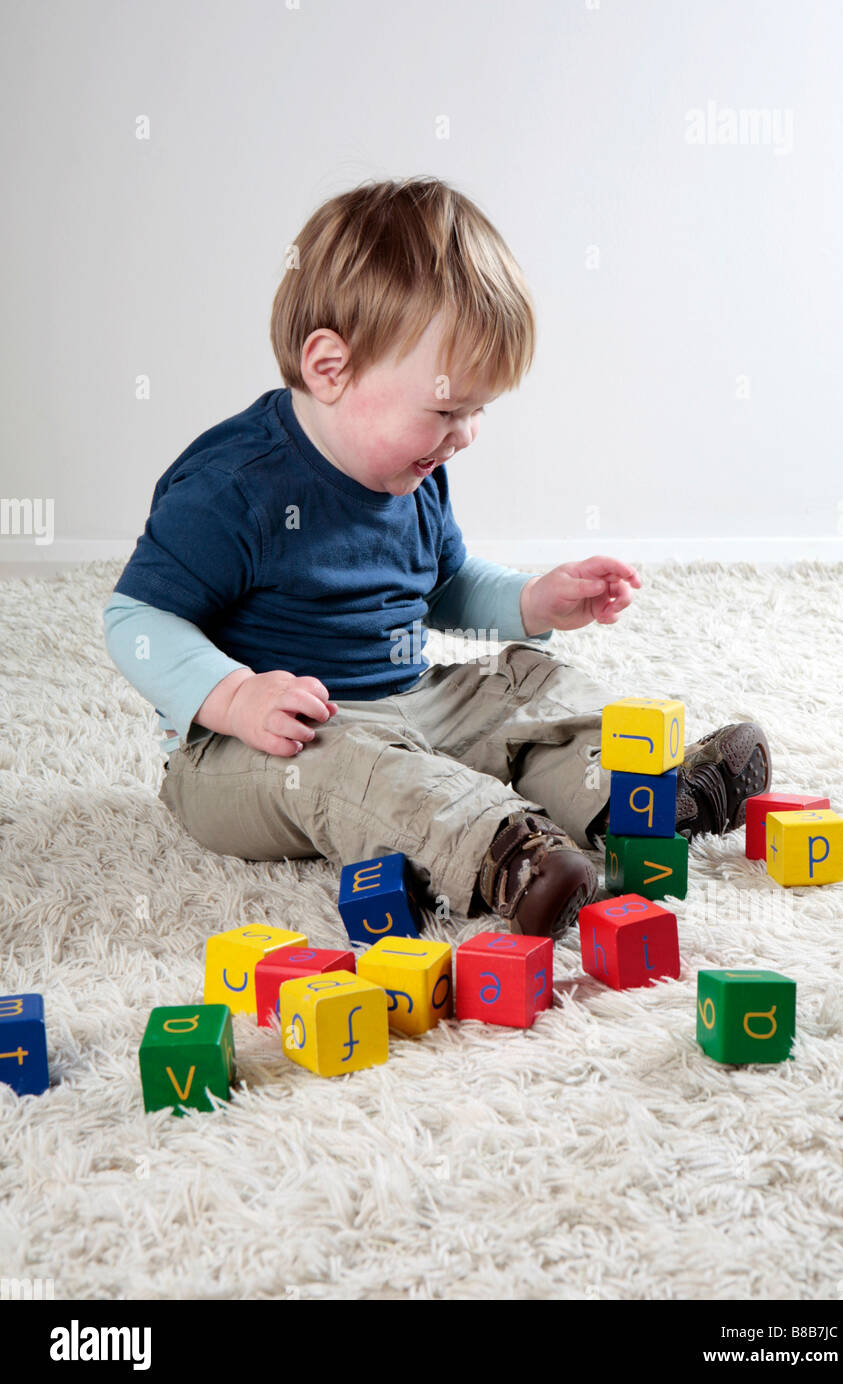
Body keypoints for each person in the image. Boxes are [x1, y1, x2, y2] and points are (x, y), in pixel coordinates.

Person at [104, 177, 770, 941]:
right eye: (450, 409)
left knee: (526, 685)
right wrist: (234, 696)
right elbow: (134, 619)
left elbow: (444, 584)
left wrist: (532, 601)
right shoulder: (233, 487)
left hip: (407, 702)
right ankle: (500, 854)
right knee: (354, 765)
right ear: (330, 367)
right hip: (252, 754)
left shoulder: (416, 470)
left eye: (479, 411)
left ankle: (643, 799)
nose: (468, 434)